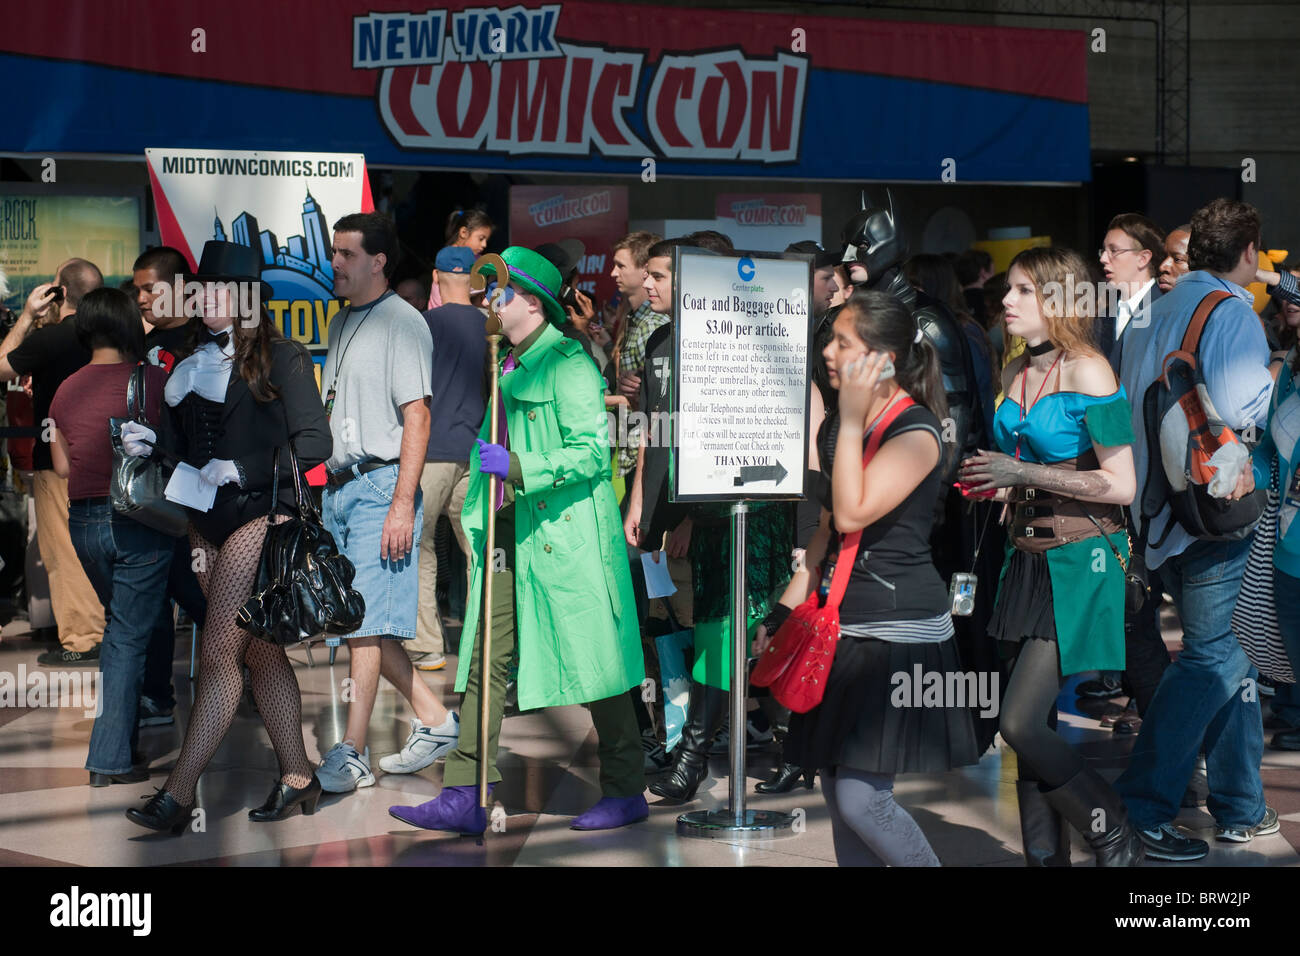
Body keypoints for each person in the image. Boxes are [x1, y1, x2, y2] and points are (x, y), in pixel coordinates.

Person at [389, 246, 649, 834]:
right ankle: (466, 792)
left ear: (531, 302)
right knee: (485, 657)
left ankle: (627, 787)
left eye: (497, 293)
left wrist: (521, 465)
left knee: (597, 664)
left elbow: (589, 453)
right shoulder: (505, 362)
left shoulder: (570, 363)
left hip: (565, 537)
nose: (487, 302)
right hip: (512, 536)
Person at [755, 289, 978, 866]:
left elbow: (853, 511)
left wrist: (848, 417)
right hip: (843, 624)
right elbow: (827, 534)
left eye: (843, 342)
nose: (827, 351)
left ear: (881, 356)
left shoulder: (919, 432)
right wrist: (779, 615)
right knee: (838, 789)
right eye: (830, 339)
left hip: (896, 634)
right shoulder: (844, 428)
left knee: (862, 799)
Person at [119, 240, 333, 831]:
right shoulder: (187, 359)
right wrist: (154, 447)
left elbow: (315, 443)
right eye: (199, 290)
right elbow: (190, 459)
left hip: (263, 515)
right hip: (208, 525)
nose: (203, 299)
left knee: (218, 655)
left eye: (216, 290)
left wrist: (243, 470)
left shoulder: (282, 356)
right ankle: (299, 776)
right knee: (260, 652)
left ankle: (178, 795)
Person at [959, 245, 1144, 866]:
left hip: (1081, 561)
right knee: (1034, 726)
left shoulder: (1089, 369)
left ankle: (1110, 827)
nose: (1005, 301)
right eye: (1007, 290)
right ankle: (1045, 857)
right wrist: (1000, 482)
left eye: (1022, 292)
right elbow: (1027, 469)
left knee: (1019, 722)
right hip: (1026, 561)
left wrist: (1021, 468)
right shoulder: (1016, 370)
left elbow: (1122, 485)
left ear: (1060, 300)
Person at [1113, 199, 1277, 860]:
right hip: (1213, 519)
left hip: (1160, 515)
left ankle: (1241, 804)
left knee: (1229, 659)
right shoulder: (1232, 313)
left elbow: (1128, 402)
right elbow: (1242, 419)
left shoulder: (1156, 305)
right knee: (1214, 660)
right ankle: (1144, 802)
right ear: (1248, 250)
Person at [626, 234, 793, 802]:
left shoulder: (742, 338)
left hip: (750, 510)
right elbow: (654, 434)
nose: (648, 285)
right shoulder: (659, 344)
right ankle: (696, 750)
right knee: (712, 635)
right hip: (694, 512)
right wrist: (641, 507)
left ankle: (725, 751)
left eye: (660, 276)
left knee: (755, 632)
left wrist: (693, 512)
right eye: (646, 274)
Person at [316, 212, 460, 793]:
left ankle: (351, 751)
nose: (336, 263)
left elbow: (417, 416)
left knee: (363, 623)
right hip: (344, 486)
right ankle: (433, 716)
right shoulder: (343, 319)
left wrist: (403, 502)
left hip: (381, 486)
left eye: (347, 254)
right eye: (334, 252)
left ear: (378, 261)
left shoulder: (402, 322)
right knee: (365, 625)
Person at [48, 288, 172, 786]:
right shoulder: (154, 382)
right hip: (139, 520)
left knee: (124, 626)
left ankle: (128, 733)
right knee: (124, 638)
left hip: (84, 523)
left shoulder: (65, 389)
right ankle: (109, 758)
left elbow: (60, 465)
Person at [0, 259, 107, 666]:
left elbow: (1, 365)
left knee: (64, 548)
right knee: (100, 546)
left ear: (60, 293)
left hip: (57, 457)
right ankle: (107, 630)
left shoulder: (52, 339)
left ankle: (82, 638)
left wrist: (27, 316)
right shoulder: (108, 335)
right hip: (107, 457)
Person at [131, 245, 209, 728]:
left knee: (200, 591)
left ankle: (252, 666)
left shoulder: (204, 343)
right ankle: (157, 694)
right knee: (153, 593)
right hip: (149, 491)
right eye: (136, 289)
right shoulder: (139, 345)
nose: (140, 298)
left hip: (196, 491)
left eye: (149, 288)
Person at [410, 246, 486, 674]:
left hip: (429, 451)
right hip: (476, 453)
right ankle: (481, 644)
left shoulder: (423, 324)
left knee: (419, 550)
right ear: (473, 278)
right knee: (478, 551)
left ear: (436, 276)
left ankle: (428, 648)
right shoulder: (492, 327)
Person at [609, 230, 666, 481]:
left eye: (621, 266)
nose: (613, 273)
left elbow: (657, 398)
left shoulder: (652, 323)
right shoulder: (636, 320)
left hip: (643, 452)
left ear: (644, 270)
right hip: (632, 448)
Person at [1097, 213, 1165, 376]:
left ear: (1143, 258)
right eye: (1103, 251)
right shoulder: (1101, 314)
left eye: (1114, 250)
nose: (1103, 259)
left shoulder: (1166, 311)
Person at [426, 208, 495, 310]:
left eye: (486, 240)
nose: (484, 245)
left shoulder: (479, 259)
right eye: (481, 238)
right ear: (463, 232)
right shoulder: (448, 259)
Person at [1157, 224, 1192, 294]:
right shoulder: (1149, 303)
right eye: (1163, 257)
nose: (1162, 267)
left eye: (1177, 259)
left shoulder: (1218, 304)